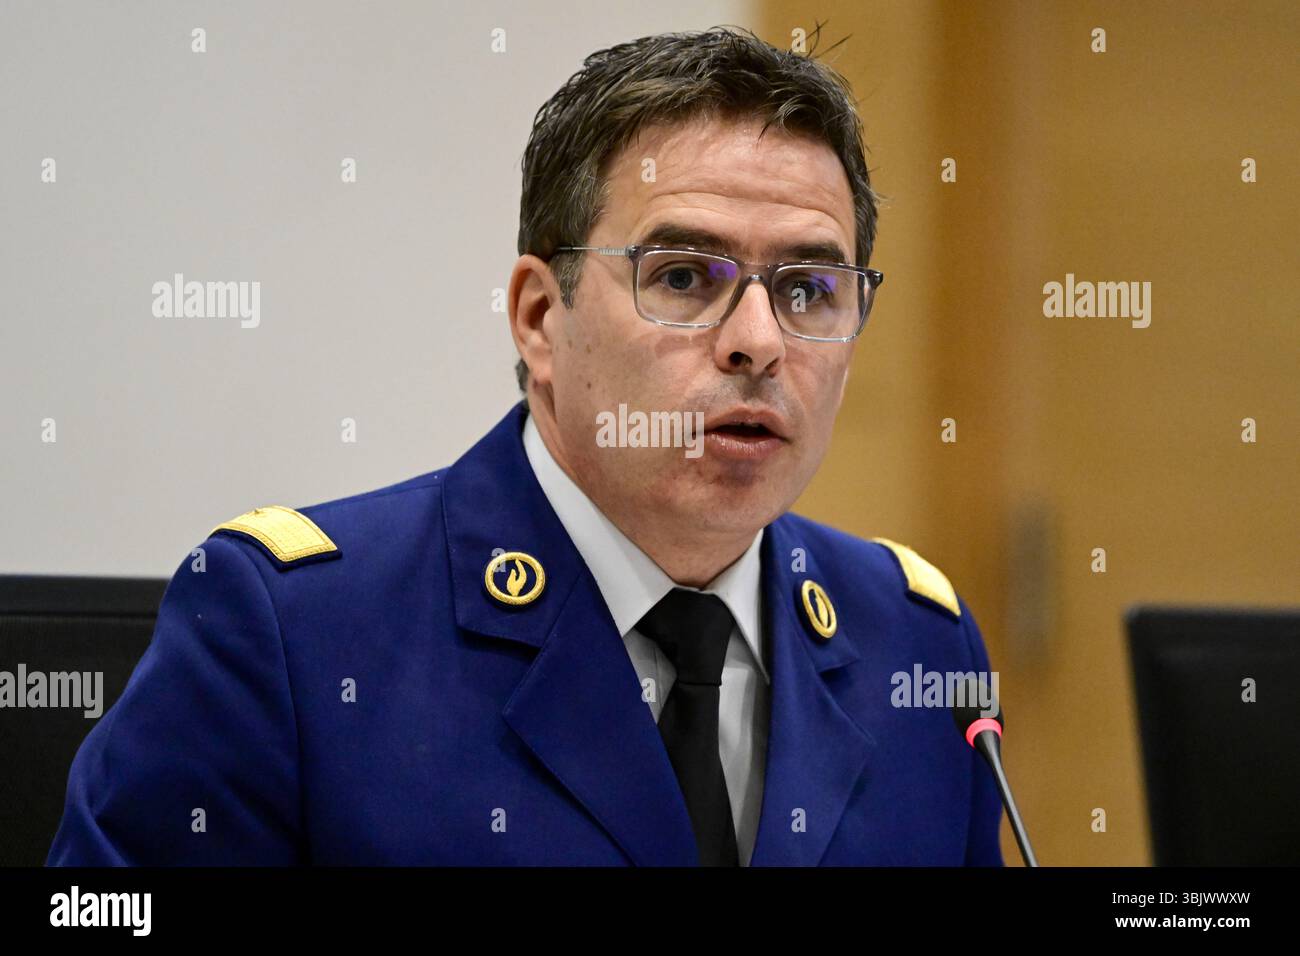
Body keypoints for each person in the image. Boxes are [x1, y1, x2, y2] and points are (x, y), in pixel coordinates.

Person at [48, 25, 1003, 866]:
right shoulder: (291, 634)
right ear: (541, 318)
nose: (758, 338)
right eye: (682, 277)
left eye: (807, 290)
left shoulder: (912, 642)